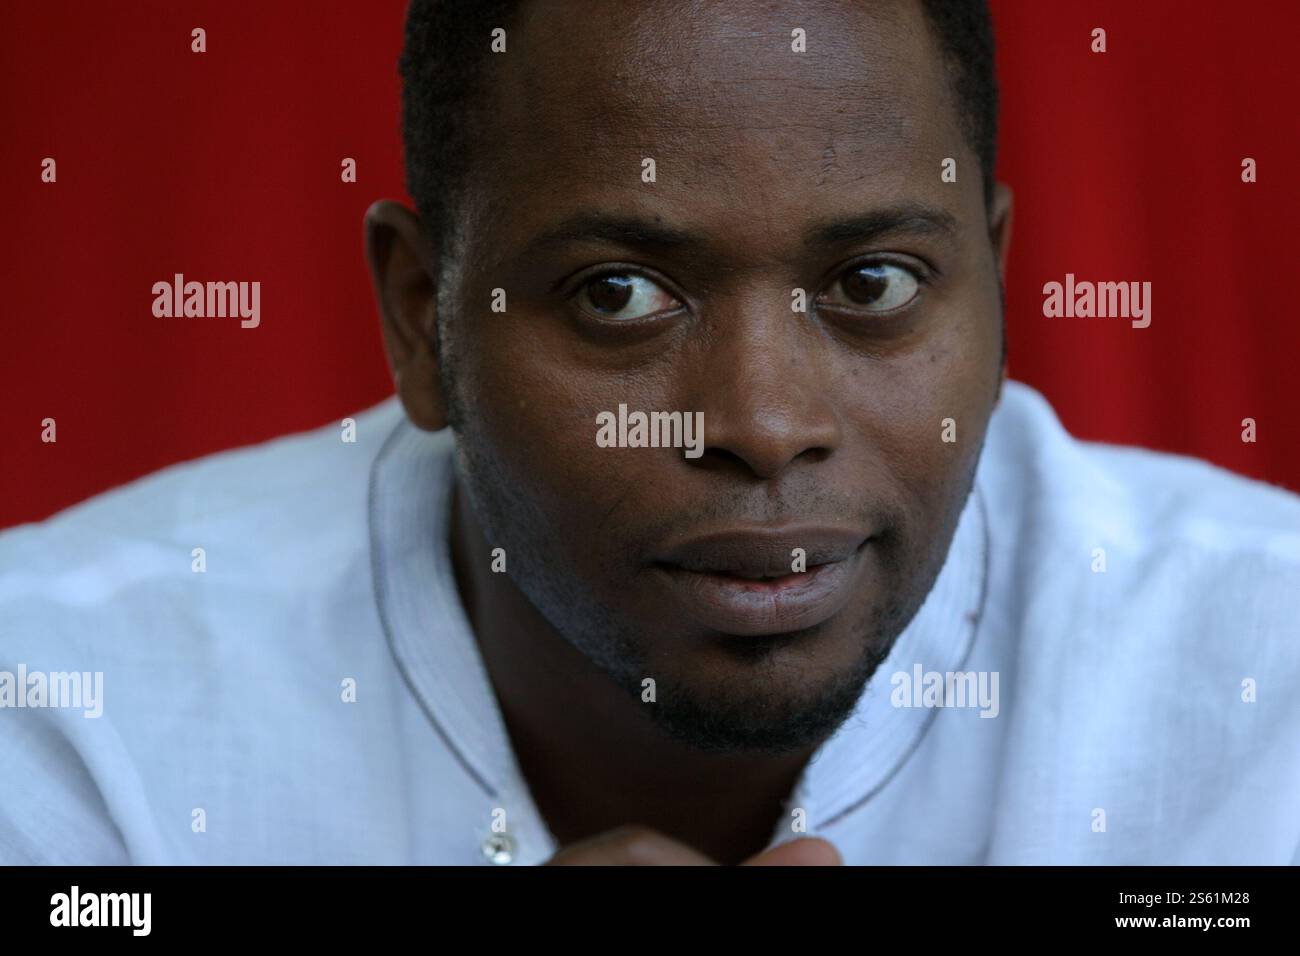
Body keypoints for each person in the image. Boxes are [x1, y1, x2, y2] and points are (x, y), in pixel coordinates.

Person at [1, 0, 1296, 866]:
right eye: (618, 294)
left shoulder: (1265, 690)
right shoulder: (71, 718)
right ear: (421, 321)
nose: (766, 424)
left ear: (998, 285)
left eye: (875, 285)